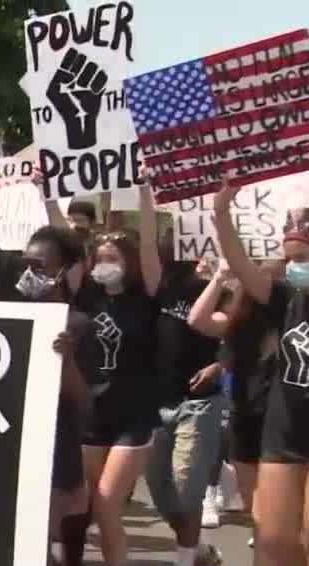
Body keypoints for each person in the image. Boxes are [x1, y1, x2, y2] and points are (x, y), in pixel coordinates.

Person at [63, 182, 163, 566]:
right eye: (98, 257)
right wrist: (48, 197)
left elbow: (150, 246)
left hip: (134, 416)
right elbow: (67, 251)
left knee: (106, 502)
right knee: (90, 505)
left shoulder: (146, 295)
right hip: (93, 415)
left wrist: (145, 195)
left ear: (130, 262)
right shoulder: (87, 295)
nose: (103, 264)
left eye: (113, 258)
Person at [212, 179, 309, 566]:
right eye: (291, 263)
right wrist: (221, 213)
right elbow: (240, 264)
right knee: (272, 544)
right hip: (283, 433)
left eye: (303, 261)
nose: (295, 270)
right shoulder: (286, 297)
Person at [15, 226, 93, 566]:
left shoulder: (77, 324)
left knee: (41, 536)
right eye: (26, 264)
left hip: (56, 442)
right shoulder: (12, 318)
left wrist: (67, 359)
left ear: (63, 270)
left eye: (40, 265)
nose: (30, 273)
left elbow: (83, 397)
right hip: (17, 440)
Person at [143, 255, 226, 566]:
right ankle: (199, 550)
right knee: (160, 492)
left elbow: (244, 340)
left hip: (199, 403)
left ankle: (185, 559)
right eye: (196, 257)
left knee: (185, 490)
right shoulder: (163, 288)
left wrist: (220, 366)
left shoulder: (227, 293)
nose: (202, 263)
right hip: (156, 403)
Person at [189, 259, 279, 531]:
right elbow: (198, 320)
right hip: (246, 412)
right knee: (256, 511)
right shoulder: (238, 314)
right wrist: (219, 277)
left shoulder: (294, 309)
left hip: (287, 418)